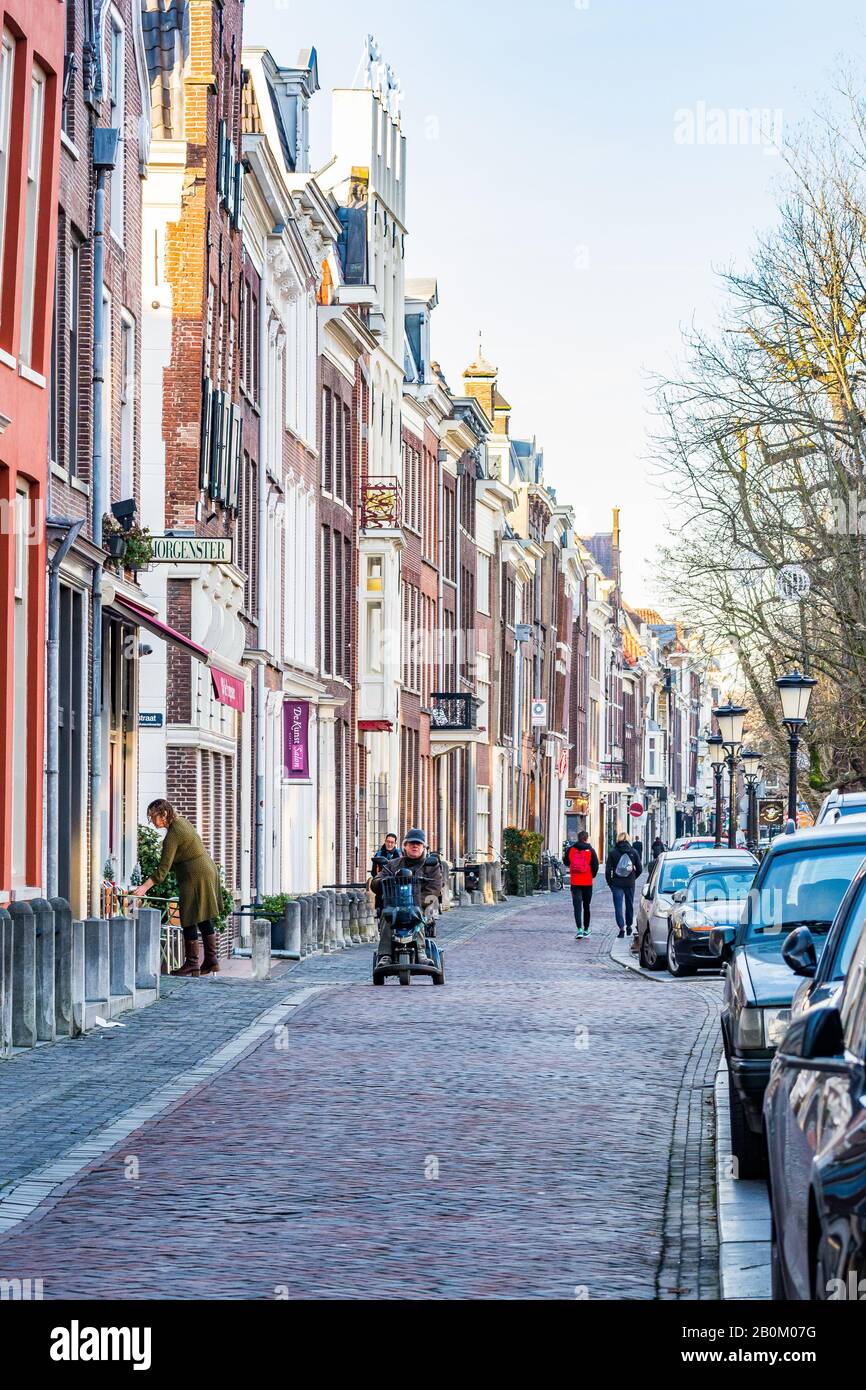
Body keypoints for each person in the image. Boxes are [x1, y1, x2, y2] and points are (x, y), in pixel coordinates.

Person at [131, 800, 223, 976]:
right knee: (202, 916)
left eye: (153, 817)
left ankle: (192, 963)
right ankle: (211, 960)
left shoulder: (173, 834)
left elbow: (163, 869)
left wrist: (144, 887)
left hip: (195, 875)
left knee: (188, 916)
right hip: (206, 869)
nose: (153, 822)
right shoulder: (183, 822)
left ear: (164, 814)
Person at [373, 828, 443, 965]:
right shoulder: (392, 864)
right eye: (411, 843)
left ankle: (421, 952)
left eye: (418, 844)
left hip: (420, 905)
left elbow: (434, 888)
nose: (415, 846)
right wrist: (382, 882)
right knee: (387, 915)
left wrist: (417, 902)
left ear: (424, 847)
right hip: (395, 905)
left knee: (418, 914)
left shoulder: (431, 866)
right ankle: (385, 955)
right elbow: (376, 882)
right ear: (404, 846)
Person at [605, 831, 642, 938]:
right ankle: (629, 926)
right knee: (629, 904)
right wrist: (633, 878)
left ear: (618, 839)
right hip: (630, 883)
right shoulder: (633, 852)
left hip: (617, 883)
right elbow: (639, 869)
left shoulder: (613, 852)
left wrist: (610, 883)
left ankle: (621, 928)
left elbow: (608, 871)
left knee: (618, 907)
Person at [564, 830, 599, 939]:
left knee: (577, 906)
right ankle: (586, 929)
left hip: (575, 882)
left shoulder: (571, 849)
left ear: (578, 838)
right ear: (587, 838)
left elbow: (566, 862)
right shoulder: (591, 851)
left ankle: (579, 929)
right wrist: (591, 875)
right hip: (587, 882)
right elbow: (595, 866)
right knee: (586, 906)